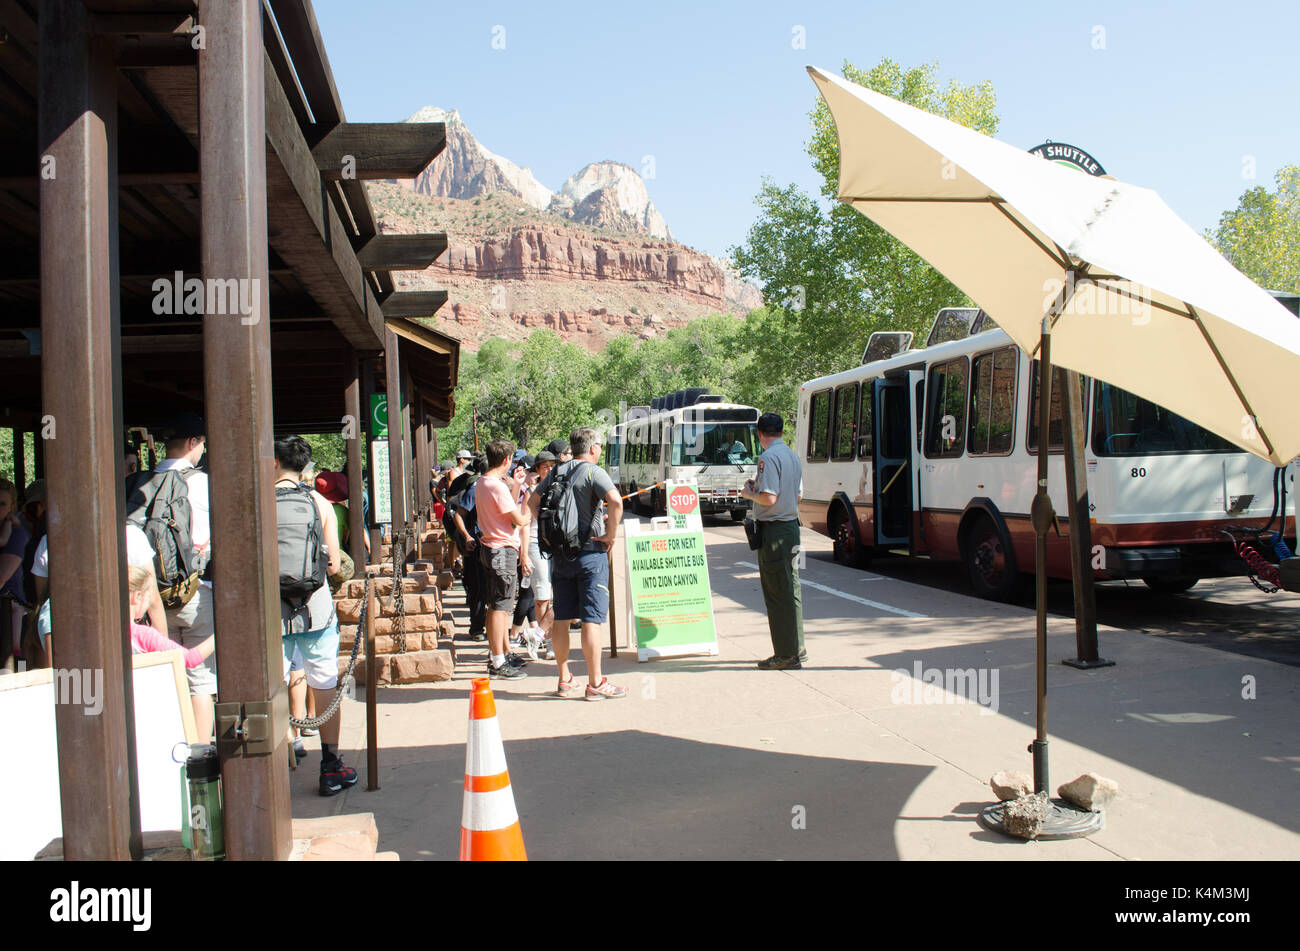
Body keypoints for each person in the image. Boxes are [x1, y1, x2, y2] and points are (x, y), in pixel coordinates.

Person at [273, 435, 357, 796]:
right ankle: (331, 766)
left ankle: (273, 762)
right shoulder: (319, 502)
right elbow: (335, 563)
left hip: (270, 610)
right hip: (315, 608)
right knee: (324, 681)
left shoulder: (258, 500)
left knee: (273, 682)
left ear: (275, 462)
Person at [527, 428, 626, 700]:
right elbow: (615, 501)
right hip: (591, 552)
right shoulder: (594, 472)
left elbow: (531, 502)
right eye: (600, 447)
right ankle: (595, 683)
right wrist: (610, 535)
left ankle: (563, 678)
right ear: (592, 448)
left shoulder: (558, 471)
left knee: (560, 617)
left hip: (561, 556)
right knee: (591, 619)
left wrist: (551, 532)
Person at [136, 412, 217, 740]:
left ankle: (170, 744)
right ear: (192, 443)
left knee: (162, 676)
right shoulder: (201, 482)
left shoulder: (136, 484)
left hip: (144, 598)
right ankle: (197, 756)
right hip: (194, 591)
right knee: (199, 680)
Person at [739, 412, 806, 669]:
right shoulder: (791, 456)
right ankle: (797, 647)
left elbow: (769, 498)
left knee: (777, 592)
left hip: (775, 531)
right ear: (781, 430)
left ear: (759, 434)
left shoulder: (768, 457)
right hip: (791, 527)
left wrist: (748, 493)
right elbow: (797, 496)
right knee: (792, 589)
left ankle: (786, 655)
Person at [473, 439, 531, 680]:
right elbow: (518, 519)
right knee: (501, 607)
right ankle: (498, 660)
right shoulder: (496, 486)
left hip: (489, 547)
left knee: (494, 605)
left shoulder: (483, 483)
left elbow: (504, 512)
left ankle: (496, 655)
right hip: (502, 551)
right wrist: (530, 505)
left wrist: (516, 487)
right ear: (507, 460)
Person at [0, 478, 31, 667]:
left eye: (2, 504)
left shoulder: (16, 533)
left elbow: (1, 578)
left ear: (12, 507)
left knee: (12, 669)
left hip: (9, 613)